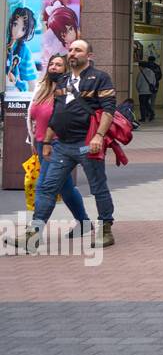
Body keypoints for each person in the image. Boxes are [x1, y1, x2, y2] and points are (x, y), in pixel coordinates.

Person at [28, 39, 118, 248]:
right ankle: (33, 233)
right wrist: (48, 140)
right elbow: (58, 113)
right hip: (63, 145)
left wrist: (99, 136)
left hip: (87, 144)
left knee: (98, 187)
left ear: (89, 56)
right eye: (70, 50)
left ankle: (106, 229)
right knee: (48, 187)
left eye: (78, 50)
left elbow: (108, 109)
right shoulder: (63, 80)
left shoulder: (100, 78)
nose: (72, 53)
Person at [13, 54, 92, 248]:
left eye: (59, 65)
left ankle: (33, 234)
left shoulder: (67, 89)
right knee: (64, 188)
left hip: (59, 145)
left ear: (65, 70)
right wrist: (32, 139)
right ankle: (84, 222)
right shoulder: (41, 87)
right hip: (41, 144)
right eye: (52, 64)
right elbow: (33, 117)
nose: (54, 67)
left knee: (43, 186)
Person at [135, 59, 158, 123]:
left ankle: (143, 117)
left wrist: (139, 89)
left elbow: (138, 84)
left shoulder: (141, 73)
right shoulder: (152, 72)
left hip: (142, 92)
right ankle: (151, 113)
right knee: (147, 103)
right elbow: (154, 81)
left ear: (141, 66)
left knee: (142, 105)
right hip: (149, 91)